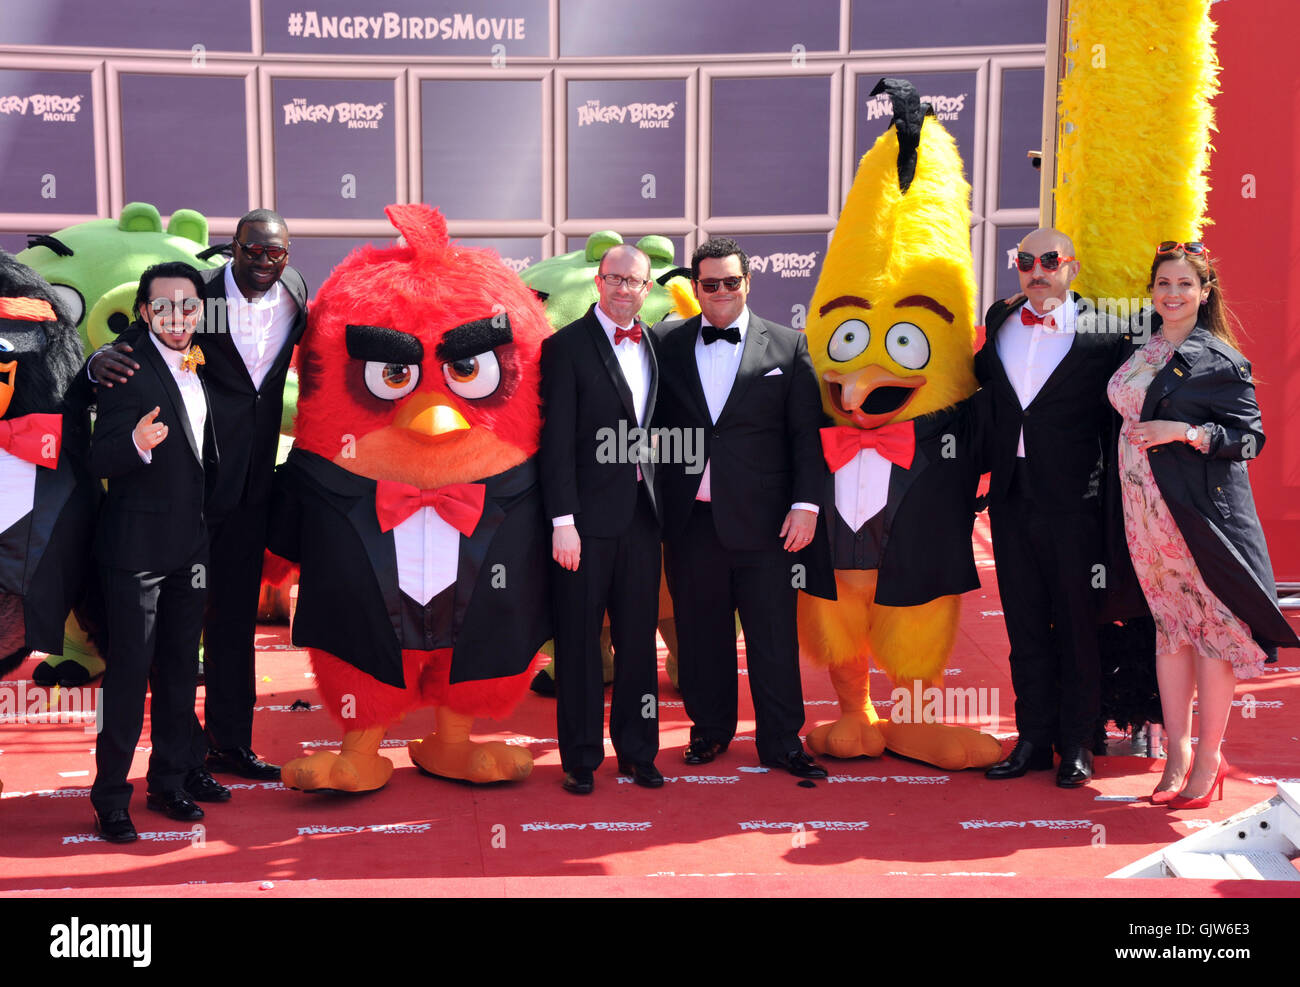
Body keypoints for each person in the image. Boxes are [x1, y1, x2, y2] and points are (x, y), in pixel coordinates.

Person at [90, 209, 308, 780]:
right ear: (231, 247)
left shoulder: (295, 293)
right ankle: (179, 757)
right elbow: (153, 332)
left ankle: (229, 744)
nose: (264, 263)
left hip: (254, 485)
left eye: (275, 253)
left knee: (234, 620)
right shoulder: (202, 294)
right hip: (192, 483)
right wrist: (95, 363)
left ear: (288, 255)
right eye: (253, 251)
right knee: (174, 630)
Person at [1107, 241, 1299, 807]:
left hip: (1195, 516)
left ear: (1204, 292)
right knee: (1171, 633)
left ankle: (1209, 759)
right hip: (1144, 515)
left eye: (1185, 284)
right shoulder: (1142, 350)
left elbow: (1249, 438)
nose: (1173, 293)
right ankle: (1177, 753)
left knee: (1211, 632)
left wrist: (1182, 432)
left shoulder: (1217, 359)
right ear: (1152, 290)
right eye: (1164, 283)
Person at [652, 237, 832, 778]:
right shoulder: (664, 343)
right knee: (701, 635)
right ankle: (709, 732)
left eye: (732, 281)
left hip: (768, 523)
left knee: (772, 636)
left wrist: (806, 506)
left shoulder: (787, 345)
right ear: (695, 288)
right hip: (692, 522)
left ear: (748, 283)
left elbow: (806, 435)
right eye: (711, 284)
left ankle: (782, 741)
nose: (722, 291)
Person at [975, 227, 1125, 787]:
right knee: (1025, 627)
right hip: (1011, 499)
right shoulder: (999, 321)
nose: (1036, 270)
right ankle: (1032, 740)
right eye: (1025, 261)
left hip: (1076, 504)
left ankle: (1080, 744)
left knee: (1080, 627)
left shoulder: (1106, 336)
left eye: (1049, 260)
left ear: (1073, 267)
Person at [89, 262, 228, 843]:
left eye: (189, 306)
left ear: (201, 311)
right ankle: (110, 798)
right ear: (145, 311)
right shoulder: (126, 369)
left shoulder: (204, 361)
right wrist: (135, 444)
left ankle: (169, 779)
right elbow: (96, 459)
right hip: (135, 550)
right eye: (164, 306)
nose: (178, 317)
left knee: (178, 672)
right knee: (127, 674)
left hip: (190, 546)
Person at [540, 244, 663, 795]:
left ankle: (639, 752)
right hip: (585, 522)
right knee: (581, 642)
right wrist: (561, 520)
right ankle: (581, 758)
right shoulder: (564, 348)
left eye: (633, 281)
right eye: (613, 278)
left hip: (644, 518)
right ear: (597, 281)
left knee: (639, 643)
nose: (622, 289)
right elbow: (556, 442)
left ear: (648, 287)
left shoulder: (658, 345)